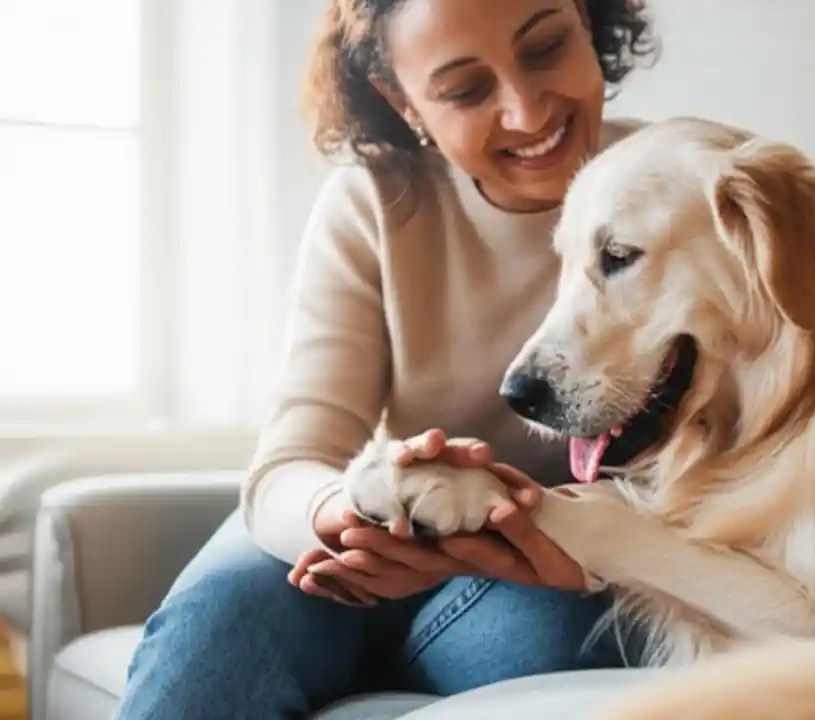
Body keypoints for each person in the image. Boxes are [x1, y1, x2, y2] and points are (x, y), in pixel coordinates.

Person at [115, 0, 657, 716]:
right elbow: (286, 468)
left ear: (589, 23)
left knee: (554, 636)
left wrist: (511, 529)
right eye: (465, 90)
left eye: (546, 46)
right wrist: (350, 516)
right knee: (217, 626)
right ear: (401, 102)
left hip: (558, 559)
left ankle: (375, 651)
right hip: (375, 528)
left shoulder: (676, 188)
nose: (527, 113)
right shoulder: (374, 206)